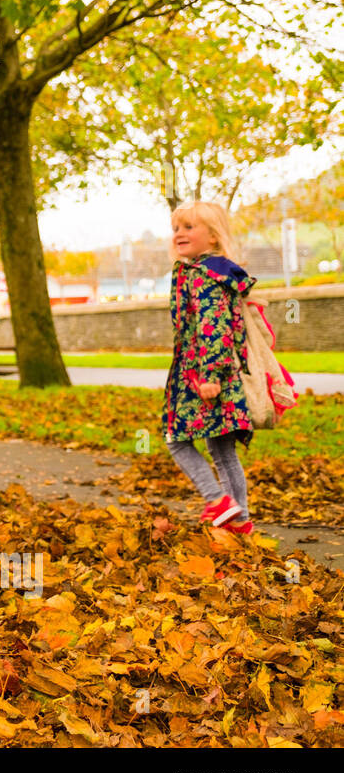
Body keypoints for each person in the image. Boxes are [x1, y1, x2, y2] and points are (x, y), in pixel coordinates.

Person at [161, 201, 256, 534]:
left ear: (214, 238)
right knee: (221, 448)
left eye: (189, 227)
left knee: (176, 438)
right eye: (176, 228)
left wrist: (210, 376)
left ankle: (218, 501)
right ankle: (239, 520)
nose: (179, 234)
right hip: (215, 373)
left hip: (205, 375)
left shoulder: (205, 277)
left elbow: (212, 327)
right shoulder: (213, 271)